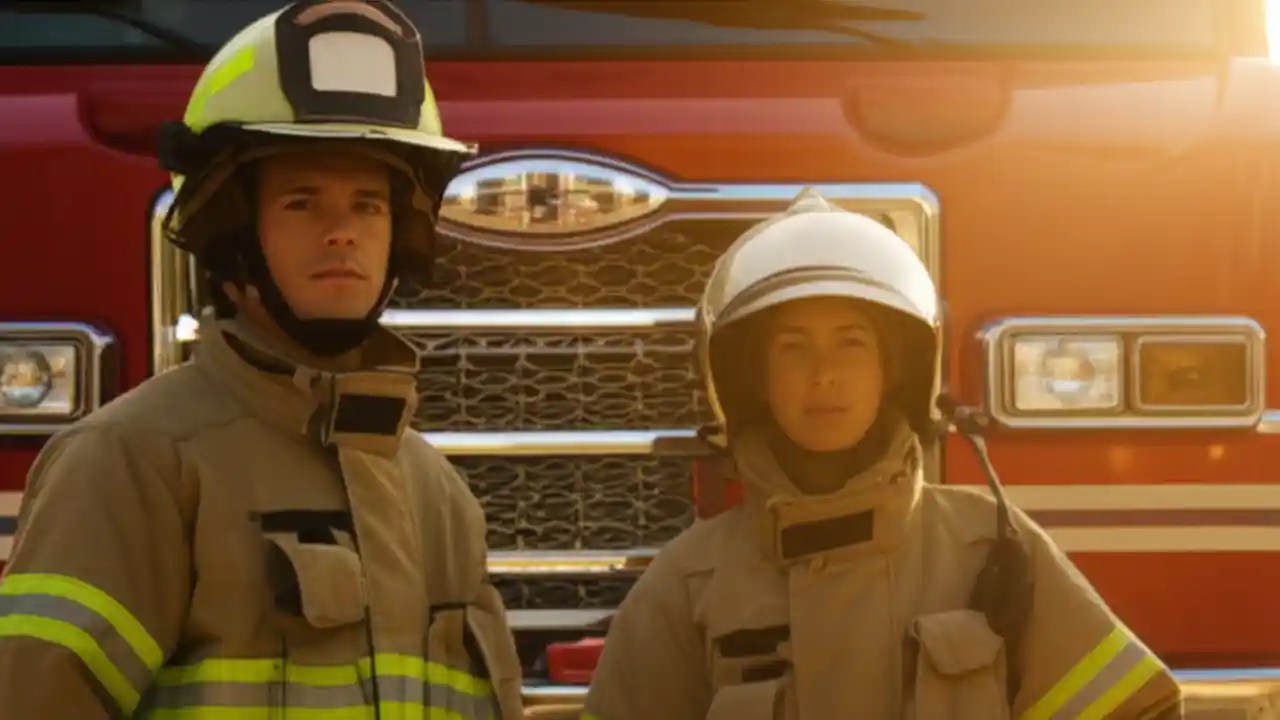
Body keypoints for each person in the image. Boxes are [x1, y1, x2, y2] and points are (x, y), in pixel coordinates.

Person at [0, 2, 524, 718]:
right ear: (231, 230)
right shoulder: (131, 464)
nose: (343, 233)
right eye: (303, 203)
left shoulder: (439, 496)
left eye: (369, 205)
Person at [583, 189, 1183, 719]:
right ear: (753, 379)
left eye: (851, 344)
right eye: (794, 348)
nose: (824, 374)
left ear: (891, 372)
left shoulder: (992, 551)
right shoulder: (689, 584)